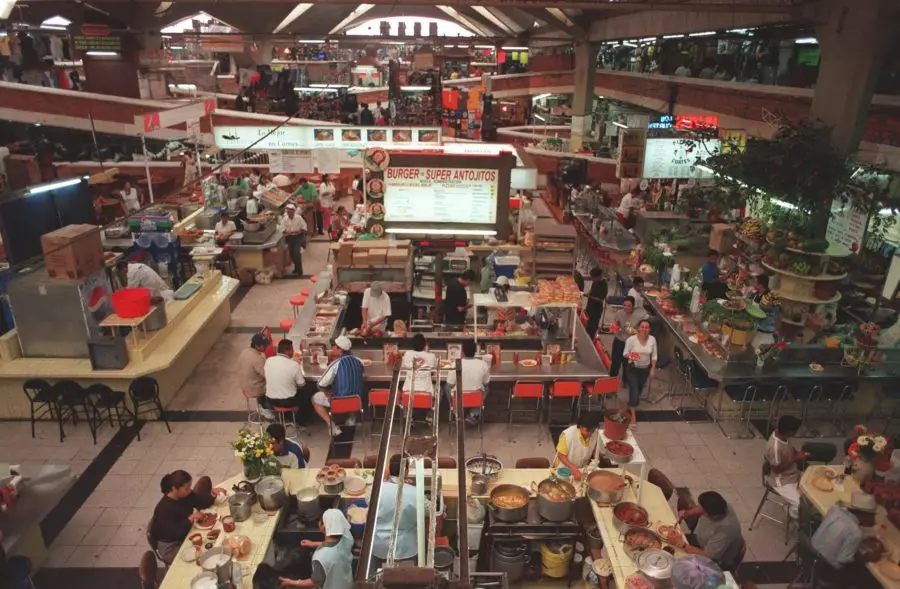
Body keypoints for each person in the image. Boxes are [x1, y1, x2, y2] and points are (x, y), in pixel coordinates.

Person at [150, 470, 215, 564]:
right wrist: (191, 518)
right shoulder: (164, 509)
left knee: (209, 544)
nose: (189, 490)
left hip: (185, 533)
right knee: (199, 556)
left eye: (189, 487)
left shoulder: (186, 495)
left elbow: (200, 503)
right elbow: (176, 532)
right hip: (171, 545)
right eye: (186, 488)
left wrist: (213, 495)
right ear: (174, 489)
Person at [280, 510, 354, 589]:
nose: (318, 522)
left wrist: (292, 582)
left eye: (320, 521)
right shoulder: (347, 537)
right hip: (347, 583)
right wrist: (312, 544)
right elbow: (335, 545)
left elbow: (314, 583)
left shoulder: (321, 558)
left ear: (324, 527)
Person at [371, 456, 419, 570]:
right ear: (406, 471)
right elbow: (428, 509)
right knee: (406, 577)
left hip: (380, 546)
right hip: (406, 548)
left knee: (382, 576)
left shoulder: (376, 490)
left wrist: (384, 480)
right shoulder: (415, 492)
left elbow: (369, 500)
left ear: (389, 469)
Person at [677, 491, 744, 571]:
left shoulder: (725, 531)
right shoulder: (720, 506)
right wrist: (688, 513)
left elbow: (707, 556)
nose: (699, 509)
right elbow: (700, 508)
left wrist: (682, 544)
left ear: (712, 516)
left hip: (715, 561)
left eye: (703, 511)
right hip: (702, 542)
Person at [314, 335, 365, 436]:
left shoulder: (336, 363)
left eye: (334, 346)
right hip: (357, 402)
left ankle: (332, 426)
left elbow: (320, 384)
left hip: (339, 403)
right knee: (352, 389)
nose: (332, 348)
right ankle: (352, 418)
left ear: (340, 349)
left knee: (314, 398)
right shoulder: (359, 361)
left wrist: (327, 391)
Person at [812, 492, 878, 570]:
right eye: (872, 516)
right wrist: (866, 557)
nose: (874, 520)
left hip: (810, 552)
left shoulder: (835, 510)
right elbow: (844, 561)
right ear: (864, 514)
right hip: (827, 569)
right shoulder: (856, 534)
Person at [765, 415, 809, 518]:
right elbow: (776, 469)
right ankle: (790, 512)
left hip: (793, 473)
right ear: (789, 431)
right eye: (796, 430)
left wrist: (798, 453)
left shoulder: (783, 435)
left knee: (813, 492)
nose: (797, 432)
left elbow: (789, 449)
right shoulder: (775, 447)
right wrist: (795, 458)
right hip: (781, 480)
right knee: (800, 506)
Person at [445, 339, 490, 425]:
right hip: (475, 397)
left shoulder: (456, 364)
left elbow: (450, 384)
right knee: (486, 388)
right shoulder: (483, 364)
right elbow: (486, 383)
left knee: (446, 387)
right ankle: (474, 413)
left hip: (459, 397)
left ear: (462, 351)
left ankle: (456, 412)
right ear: (475, 351)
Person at [622, 319, 657, 424]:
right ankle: (633, 415)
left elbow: (654, 356)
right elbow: (625, 353)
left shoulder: (652, 340)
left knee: (639, 391)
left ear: (649, 329)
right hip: (632, 368)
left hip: (645, 369)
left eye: (647, 327)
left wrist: (653, 369)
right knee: (634, 390)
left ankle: (631, 404)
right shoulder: (631, 340)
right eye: (642, 327)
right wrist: (633, 356)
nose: (644, 329)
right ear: (638, 328)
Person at [554, 412, 602, 481]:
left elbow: (595, 451)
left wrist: (595, 463)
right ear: (580, 426)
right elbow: (561, 455)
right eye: (587, 431)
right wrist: (573, 468)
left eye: (592, 430)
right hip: (564, 469)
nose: (590, 433)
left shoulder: (595, 434)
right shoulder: (568, 435)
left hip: (581, 469)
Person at [401, 334, 437, 421]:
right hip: (426, 395)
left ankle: (408, 415)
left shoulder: (407, 354)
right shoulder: (431, 356)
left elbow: (404, 368)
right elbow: (433, 372)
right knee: (440, 390)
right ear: (425, 345)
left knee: (403, 387)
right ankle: (429, 415)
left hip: (408, 394)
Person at [609, 296, 648, 377]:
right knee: (615, 362)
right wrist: (616, 327)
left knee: (627, 363)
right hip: (619, 341)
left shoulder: (638, 316)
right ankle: (612, 379)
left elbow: (640, 331)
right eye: (625, 305)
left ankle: (626, 380)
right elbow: (613, 327)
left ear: (633, 306)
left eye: (629, 306)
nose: (626, 308)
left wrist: (631, 330)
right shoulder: (619, 313)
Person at [263, 339, 306, 413]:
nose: (293, 352)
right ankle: (301, 419)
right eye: (292, 349)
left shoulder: (268, 361)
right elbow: (302, 384)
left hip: (270, 400)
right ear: (287, 351)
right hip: (288, 401)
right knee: (308, 390)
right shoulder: (294, 365)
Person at [238, 332, 272, 418]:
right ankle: (266, 408)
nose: (266, 347)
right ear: (257, 345)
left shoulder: (245, 351)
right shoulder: (257, 359)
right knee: (276, 384)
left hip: (245, 385)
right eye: (263, 345)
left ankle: (262, 404)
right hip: (254, 387)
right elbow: (268, 375)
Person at [282, 204, 307, 277]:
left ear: (294, 211)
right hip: (289, 237)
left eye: (291, 212)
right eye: (288, 212)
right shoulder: (285, 219)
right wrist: (286, 232)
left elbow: (304, 227)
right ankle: (296, 268)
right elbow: (282, 228)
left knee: (297, 253)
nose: (290, 214)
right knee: (292, 253)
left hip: (298, 237)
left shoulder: (299, 218)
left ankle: (300, 271)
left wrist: (299, 231)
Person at [585, 267, 607, 338]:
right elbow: (592, 290)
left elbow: (600, 299)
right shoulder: (595, 282)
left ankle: (591, 340)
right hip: (590, 307)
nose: (592, 279)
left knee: (592, 327)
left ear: (598, 276)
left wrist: (590, 297)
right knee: (587, 324)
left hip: (596, 310)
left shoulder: (604, 285)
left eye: (593, 277)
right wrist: (587, 293)